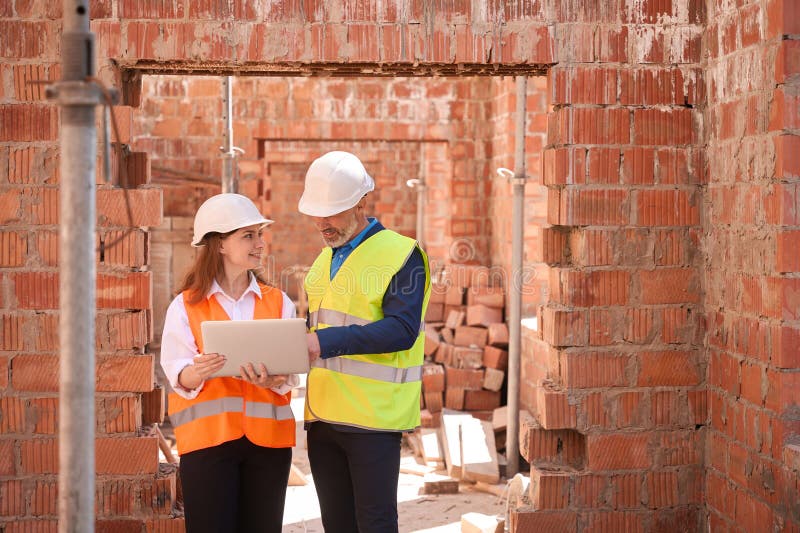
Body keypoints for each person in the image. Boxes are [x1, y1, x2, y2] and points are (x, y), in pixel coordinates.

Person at [299, 151, 431, 532]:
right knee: (337, 525)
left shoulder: (402, 255)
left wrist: (323, 342)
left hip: (373, 421)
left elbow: (401, 330)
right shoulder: (323, 262)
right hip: (323, 418)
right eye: (316, 213)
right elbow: (313, 330)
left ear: (361, 203)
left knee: (375, 525)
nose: (322, 223)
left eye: (332, 212)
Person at [160, 193, 298, 533]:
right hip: (207, 445)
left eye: (259, 235)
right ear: (219, 244)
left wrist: (275, 380)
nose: (260, 243)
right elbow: (177, 375)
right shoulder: (185, 306)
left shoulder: (279, 303)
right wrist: (197, 371)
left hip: (268, 446)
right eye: (248, 236)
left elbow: (290, 374)